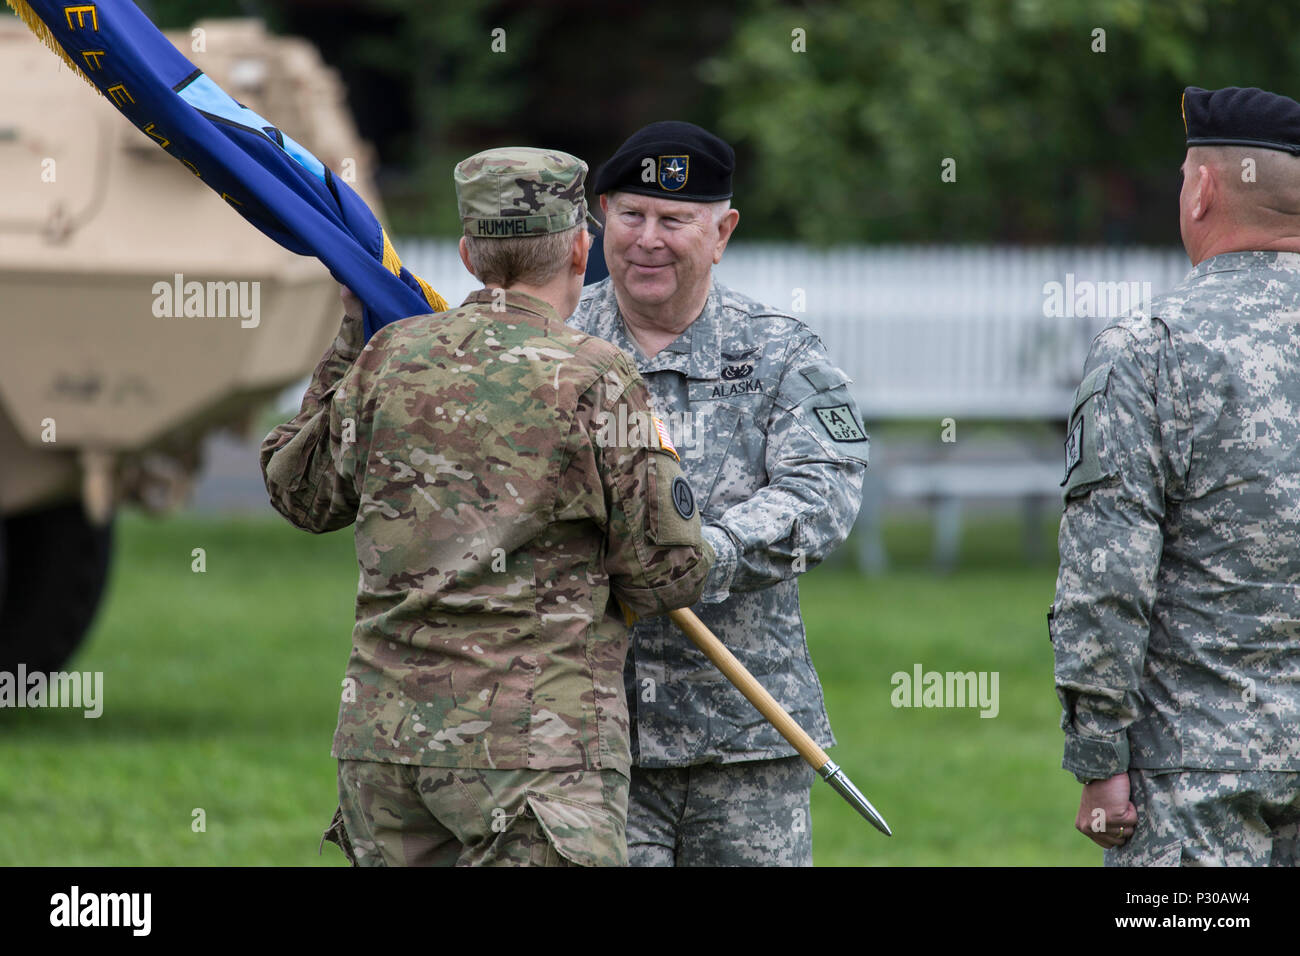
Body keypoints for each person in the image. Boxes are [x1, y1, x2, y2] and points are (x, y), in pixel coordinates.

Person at [260, 146, 714, 867]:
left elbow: (300, 493)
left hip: (388, 749)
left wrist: (353, 336)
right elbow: (664, 574)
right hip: (536, 754)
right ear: (580, 247)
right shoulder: (595, 373)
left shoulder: (391, 355)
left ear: (470, 255)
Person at [567, 121, 869, 866]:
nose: (648, 240)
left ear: (722, 230)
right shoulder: (559, 348)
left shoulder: (779, 351)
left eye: (674, 221)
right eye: (631, 215)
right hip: (594, 736)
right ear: (601, 214)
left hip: (746, 738)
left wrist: (705, 554)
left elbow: (822, 492)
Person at [1052, 86, 1300, 866]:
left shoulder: (1150, 348)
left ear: (1202, 191)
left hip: (1196, 772)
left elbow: (1108, 579)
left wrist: (1099, 756)